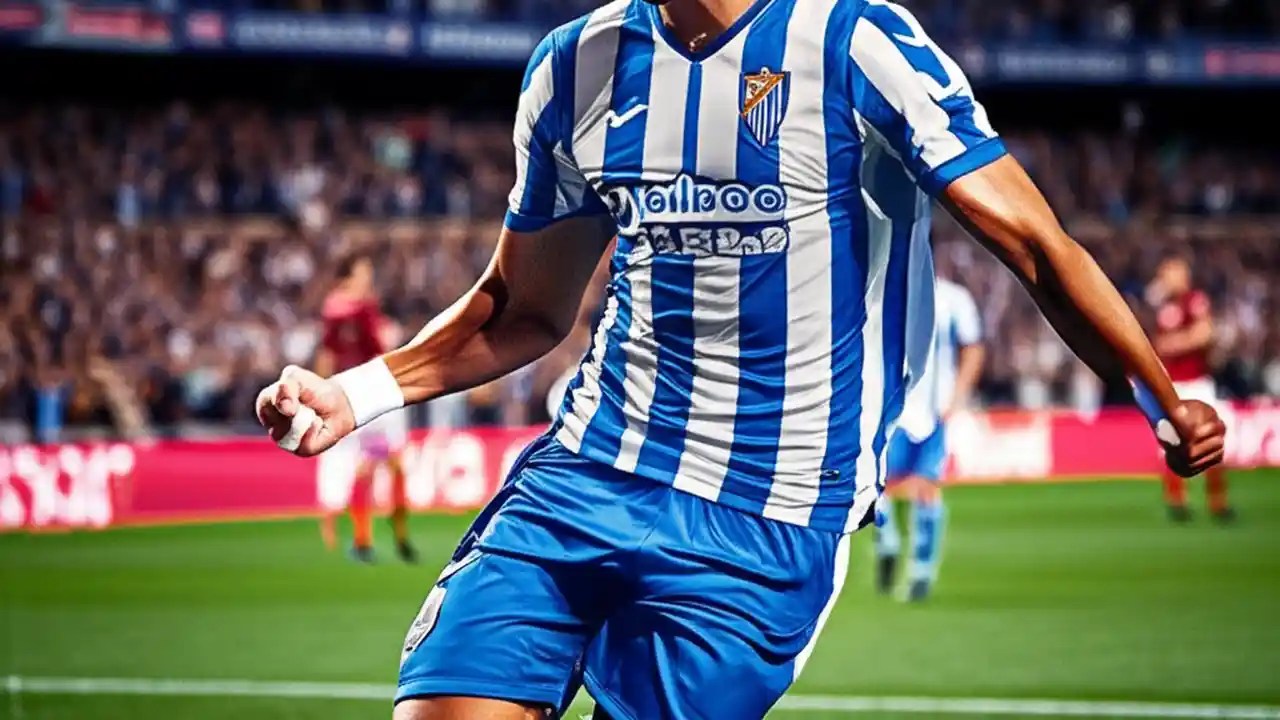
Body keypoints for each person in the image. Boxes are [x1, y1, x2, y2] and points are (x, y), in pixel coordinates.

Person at [256, 0, 1226, 717]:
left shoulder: (856, 46)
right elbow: (521, 309)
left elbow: (1035, 246)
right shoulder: (573, 69)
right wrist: (356, 393)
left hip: (763, 520)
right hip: (582, 478)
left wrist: (1159, 398)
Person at [875, 274, 984, 602]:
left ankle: (921, 569)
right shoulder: (888, 288)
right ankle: (889, 542)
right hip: (895, 408)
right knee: (884, 485)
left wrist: (960, 393)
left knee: (925, 487)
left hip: (936, 408)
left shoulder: (954, 299)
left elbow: (973, 347)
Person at [315, 254, 417, 563]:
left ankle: (398, 536)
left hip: (378, 388)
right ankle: (364, 539)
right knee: (368, 466)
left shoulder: (352, 307)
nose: (367, 278)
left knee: (394, 463)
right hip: (365, 390)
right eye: (363, 272)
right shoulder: (350, 307)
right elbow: (368, 347)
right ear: (348, 277)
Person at [1147, 254, 1234, 523]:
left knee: (1209, 438)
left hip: (1197, 383)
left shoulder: (1194, 300)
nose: (1166, 278)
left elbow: (1203, 334)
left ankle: (1217, 501)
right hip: (1172, 385)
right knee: (1171, 442)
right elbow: (1155, 344)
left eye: (1171, 272)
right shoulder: (1163, 308)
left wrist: (1173, 343)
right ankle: (1177, 501)